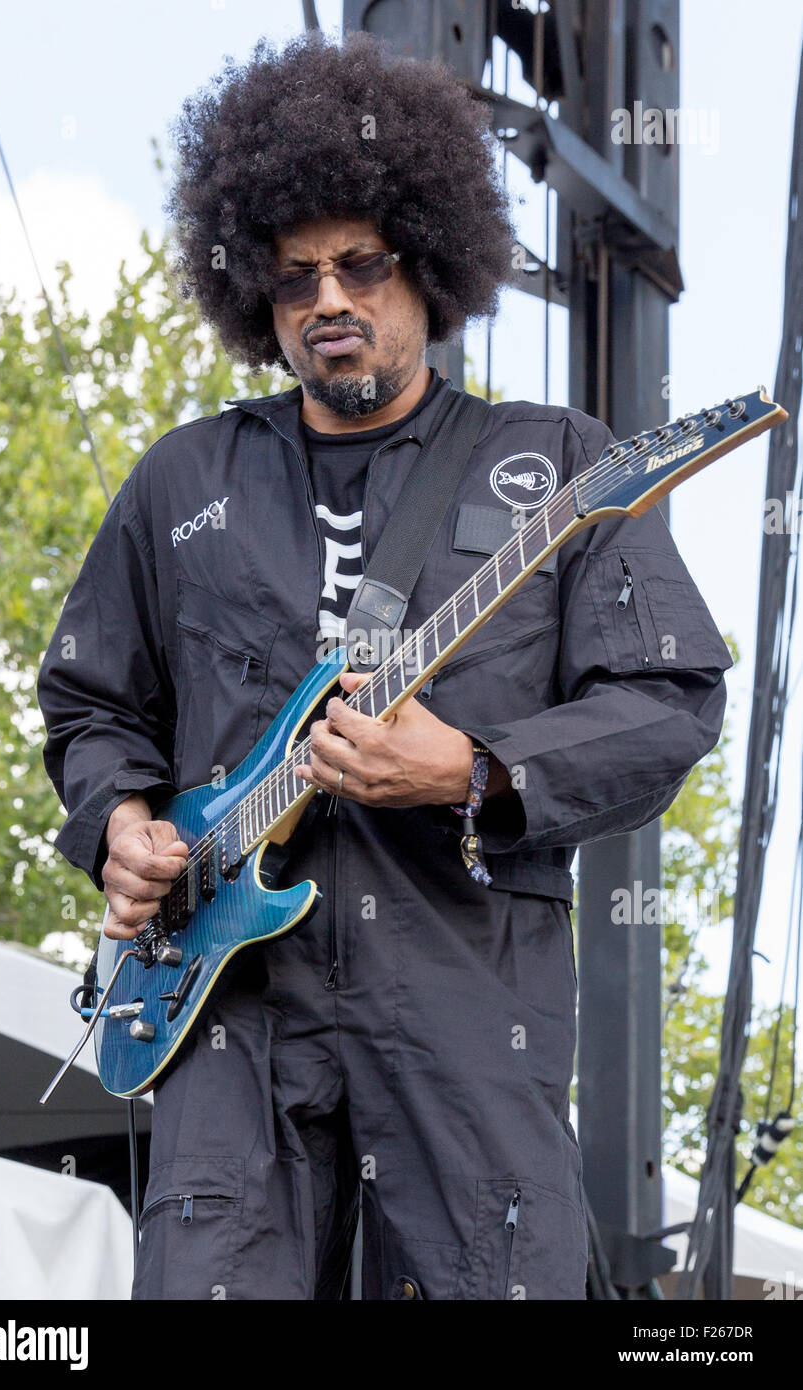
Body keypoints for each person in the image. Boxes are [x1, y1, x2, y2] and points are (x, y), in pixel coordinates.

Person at [37, 32, 732, 1301]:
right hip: (226, 1012)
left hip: (467, 1002)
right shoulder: (181, 480)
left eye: (361, 262)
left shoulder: (555, 462)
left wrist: (475, 767)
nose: (328, 300)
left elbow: (667, 699)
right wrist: (122, 823)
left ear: (429, 261)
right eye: (294, 276)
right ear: (257, 292)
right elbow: (91, 702)